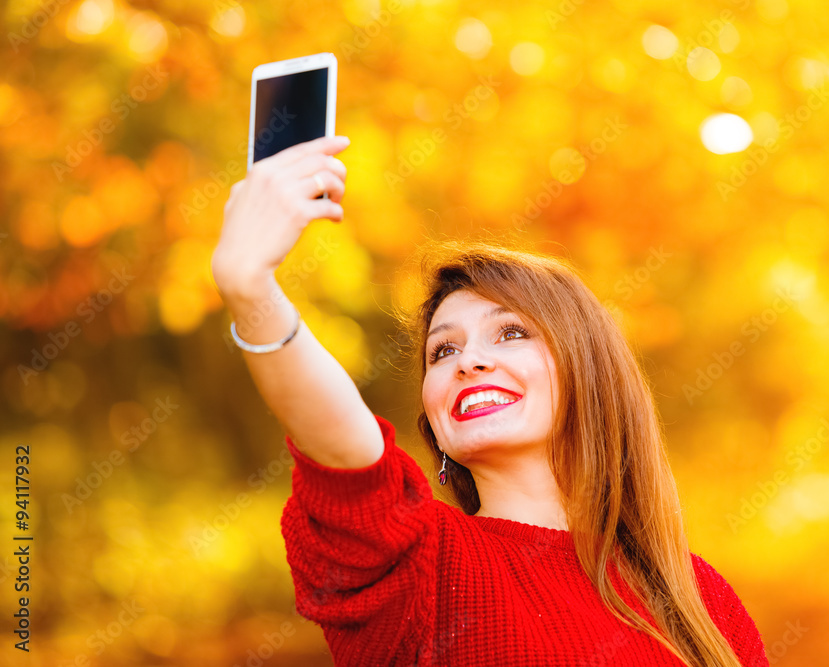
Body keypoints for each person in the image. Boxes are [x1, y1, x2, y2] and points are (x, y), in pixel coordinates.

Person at [211, 135, 769, 666]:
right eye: (443, 350)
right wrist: (252, 289)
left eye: (510, 333)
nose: (467, 361)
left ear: (590, 372)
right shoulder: (422, 569)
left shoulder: (701, 599)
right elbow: (345, 453)